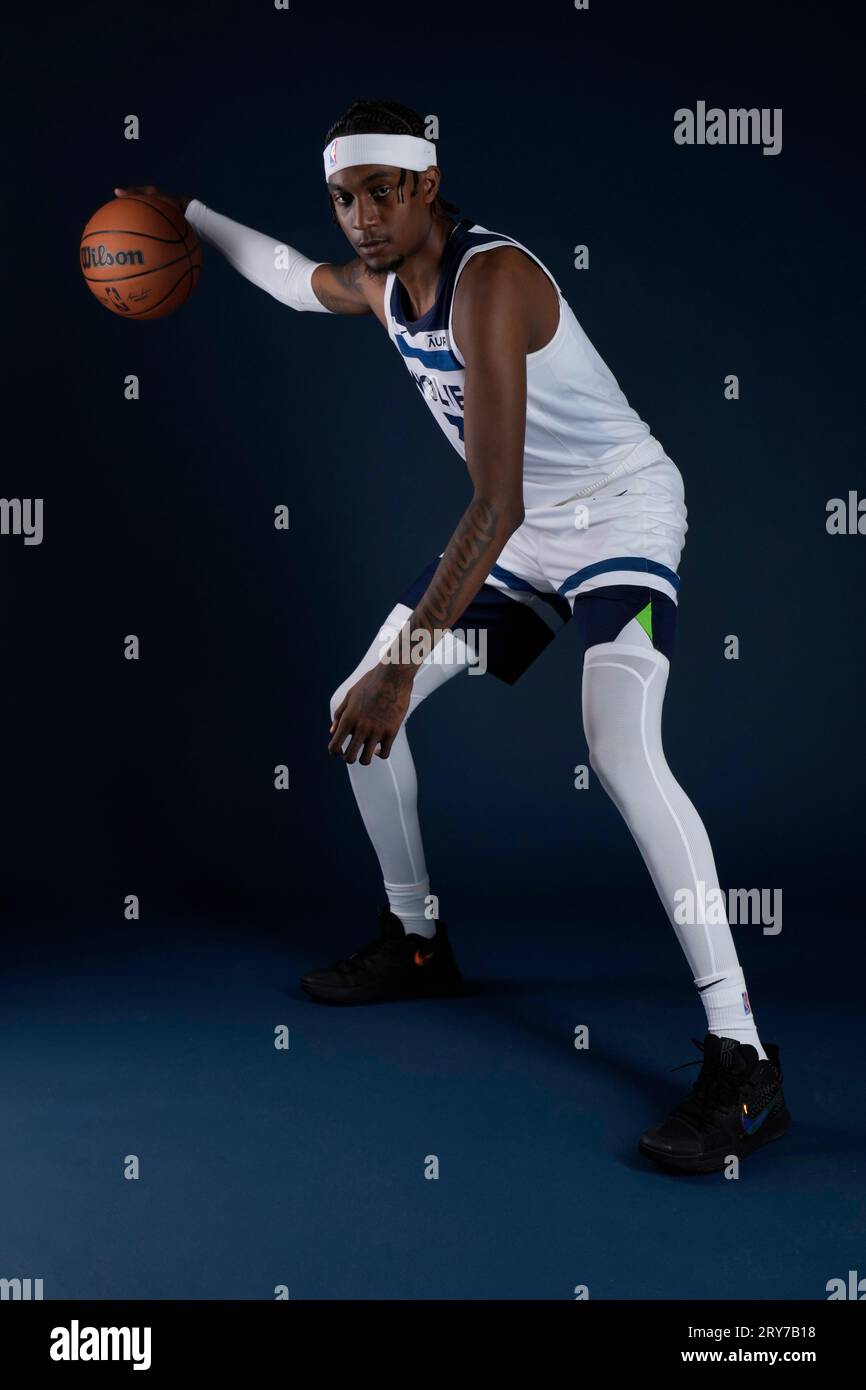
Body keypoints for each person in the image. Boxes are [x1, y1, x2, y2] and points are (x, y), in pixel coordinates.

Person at [114, 97, 790, 1173]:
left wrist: (408, 661)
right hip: (514, 538)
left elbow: (496, 502)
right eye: (343, 197)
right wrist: (186, 211)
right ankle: (417, 939)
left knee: (617, 746)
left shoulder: (494, 282)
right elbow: (293, 282)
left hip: (613, 514)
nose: (361, 216)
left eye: (381, 190)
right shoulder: (382, 286)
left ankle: (740, 1051)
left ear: (426, 185)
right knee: (354, 712)